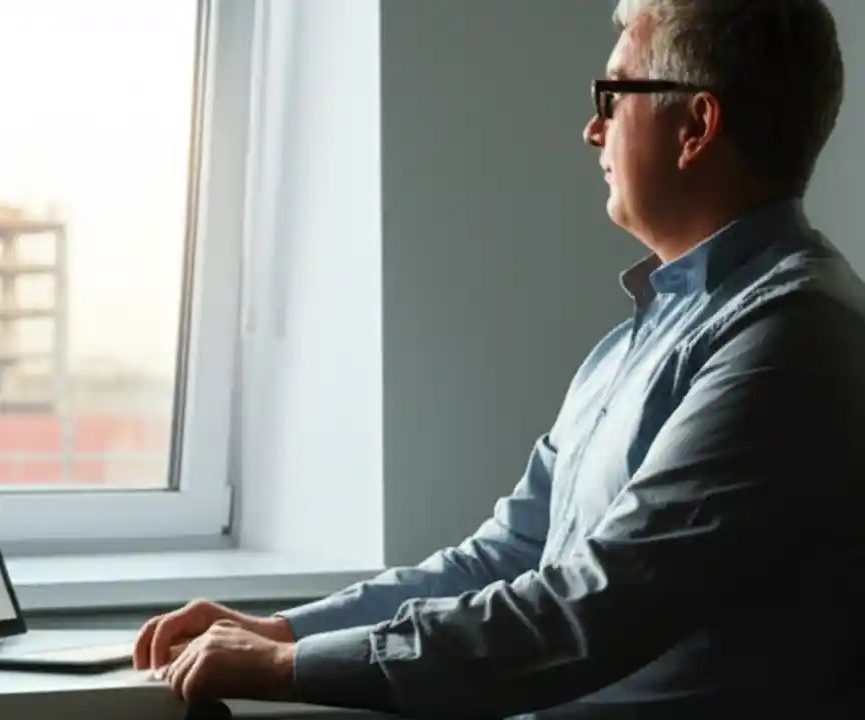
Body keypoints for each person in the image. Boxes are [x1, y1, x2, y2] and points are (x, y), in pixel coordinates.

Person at [133, 1, 865, 717]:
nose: (591, 130)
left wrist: (294, 668)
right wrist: (290, 630)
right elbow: (509, 553)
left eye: (611, 97)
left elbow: (593, 608)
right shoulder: (642, 338)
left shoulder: (790, 336)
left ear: (696, 126)